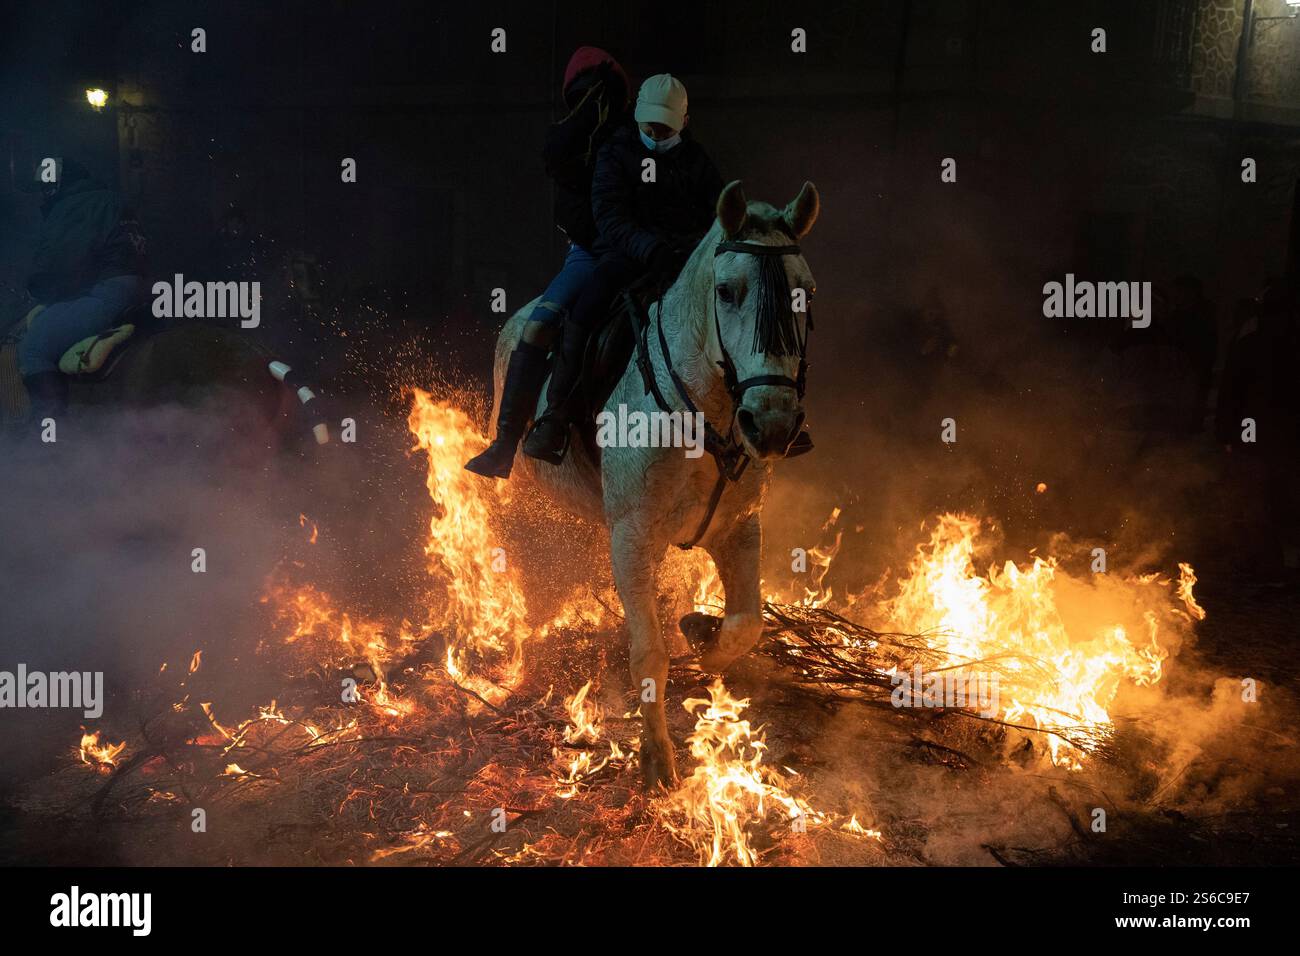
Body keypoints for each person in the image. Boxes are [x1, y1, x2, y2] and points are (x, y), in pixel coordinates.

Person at [522, 73, 724, 464]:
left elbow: (717, 217)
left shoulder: (698, 163)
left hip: (684, 264)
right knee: (586, 308)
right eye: (650, 123)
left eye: (665, 125)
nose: (656, 131)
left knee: (737, 304)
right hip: (626, 258)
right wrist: (650, 249)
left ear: (683, 121)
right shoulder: (616, 153)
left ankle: (768, 409)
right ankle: (557, 414)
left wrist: (689, 252)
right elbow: (609, 215)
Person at [465, 46, 631, 478]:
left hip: (633, 253)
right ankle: (507, 442)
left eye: (597, 93)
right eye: (582, 95)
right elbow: (558, 167)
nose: (590, 102)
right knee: (538, 324)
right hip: (587, 256)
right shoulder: (568, 145)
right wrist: (583, 121)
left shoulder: (633, 141)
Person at [20, 158, 146, 419]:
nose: (43, 195)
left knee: (34, 347)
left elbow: (63, 262)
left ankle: (48, 437)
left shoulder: (74, 206)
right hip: (139, 287)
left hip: (105, 293)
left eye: (45, 188)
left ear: (56, 186)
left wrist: (37, 287)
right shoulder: (110, 199)